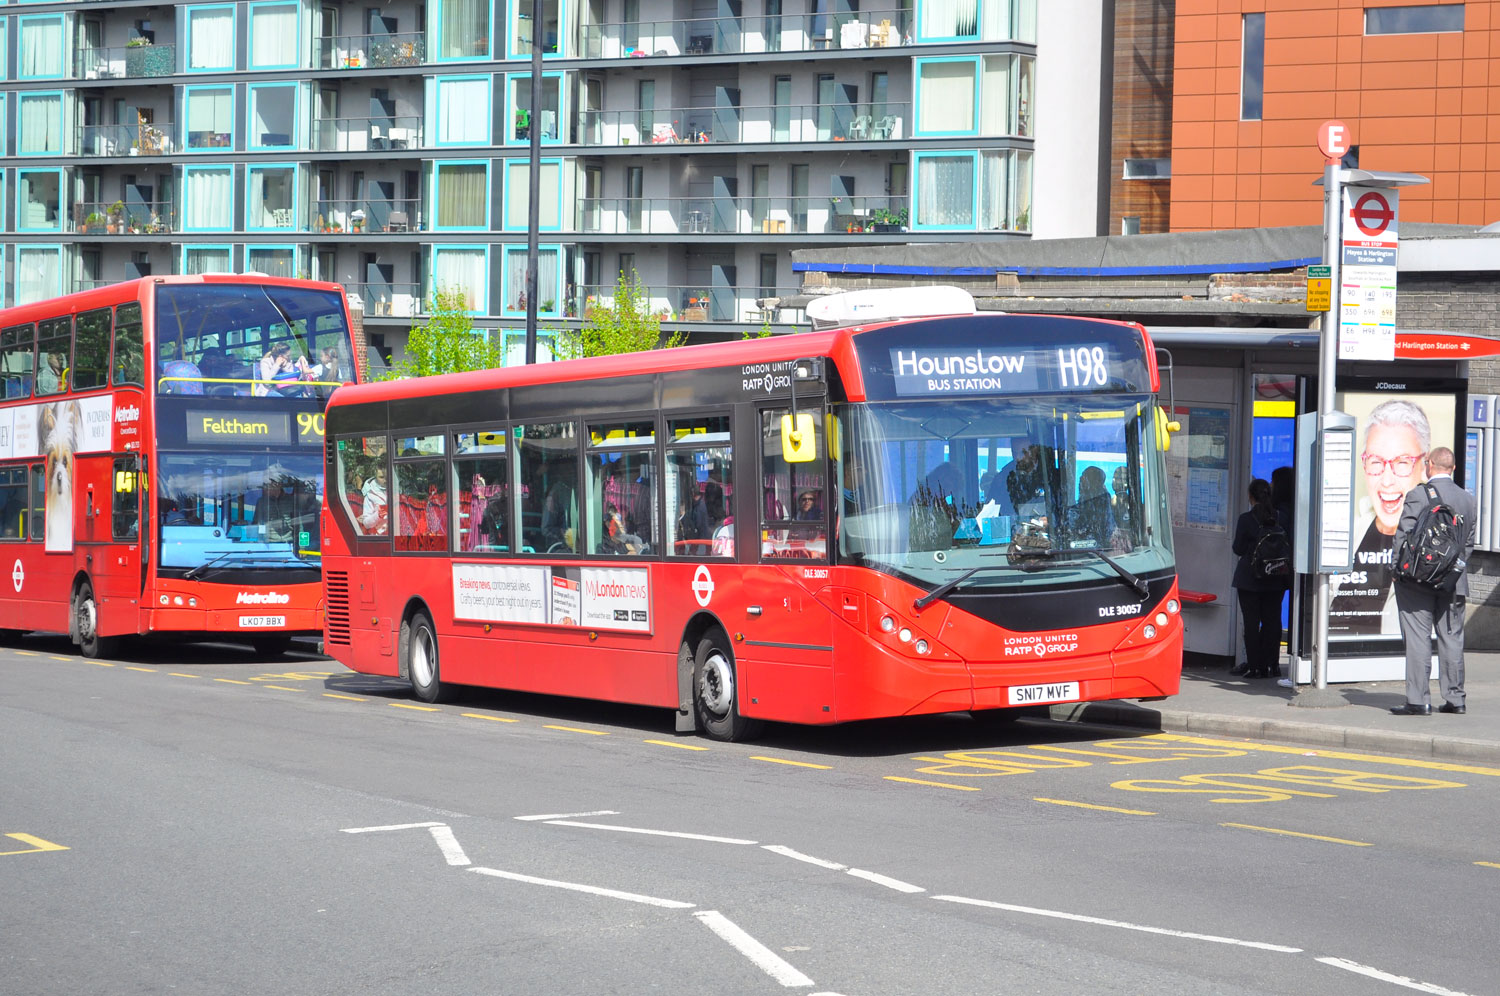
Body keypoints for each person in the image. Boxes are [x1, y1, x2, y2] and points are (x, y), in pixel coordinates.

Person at [1333, 399, 1431, 637]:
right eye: (1376, 462)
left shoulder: (1430, 540)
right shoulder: (1349, 531)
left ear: (1424, 466)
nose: (1387, 480)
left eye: (1401, 463)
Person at [1391, 447, 1476, 716]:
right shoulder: (1467, 500)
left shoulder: (1418, 495)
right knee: (1451, 638)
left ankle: (1418, 700)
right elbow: (1468, 544)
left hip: (1417, 581)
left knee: (1418, 638)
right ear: (1452, 468)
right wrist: (1452, 572)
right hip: (1453, 582)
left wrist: (1396, 569)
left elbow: (1403, 536)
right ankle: (1455, 699)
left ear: (1430, 465)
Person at [1230, 479, 1285, 679]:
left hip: (1250, 579)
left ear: (1250, 496)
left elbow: (1237, 548)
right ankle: (1272, 665)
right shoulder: (1281, 517)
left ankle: (1254, 667)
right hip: (1276, 577)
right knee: (1273, 622)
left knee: (1251, 624)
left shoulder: (1246, 519)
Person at [254, 476, 318, 543]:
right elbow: (257, 523)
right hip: (268, 544)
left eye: (270, 484)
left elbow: (299, 524)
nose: (267, 488)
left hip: (289, 543)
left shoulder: (291, 500)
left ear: (279, 485)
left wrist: (302, 545)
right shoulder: (262, 502)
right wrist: (259, 543)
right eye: (266, 485)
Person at [1067, 466, 1112, 547]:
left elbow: (1076, 527)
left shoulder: (1098, 505)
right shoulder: (1103, 501)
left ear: (1094, 483)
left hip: (1093, 549)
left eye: (1084, 479)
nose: (1080, 482)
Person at [359, 464, 388, 534]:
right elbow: (366, 523)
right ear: (375, 476)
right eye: (381, 477)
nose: (385, 480)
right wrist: (378, 515)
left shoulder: (396, 487)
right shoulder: (370, 494)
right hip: (381, 536)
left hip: (397, 533)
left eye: (387, 477)